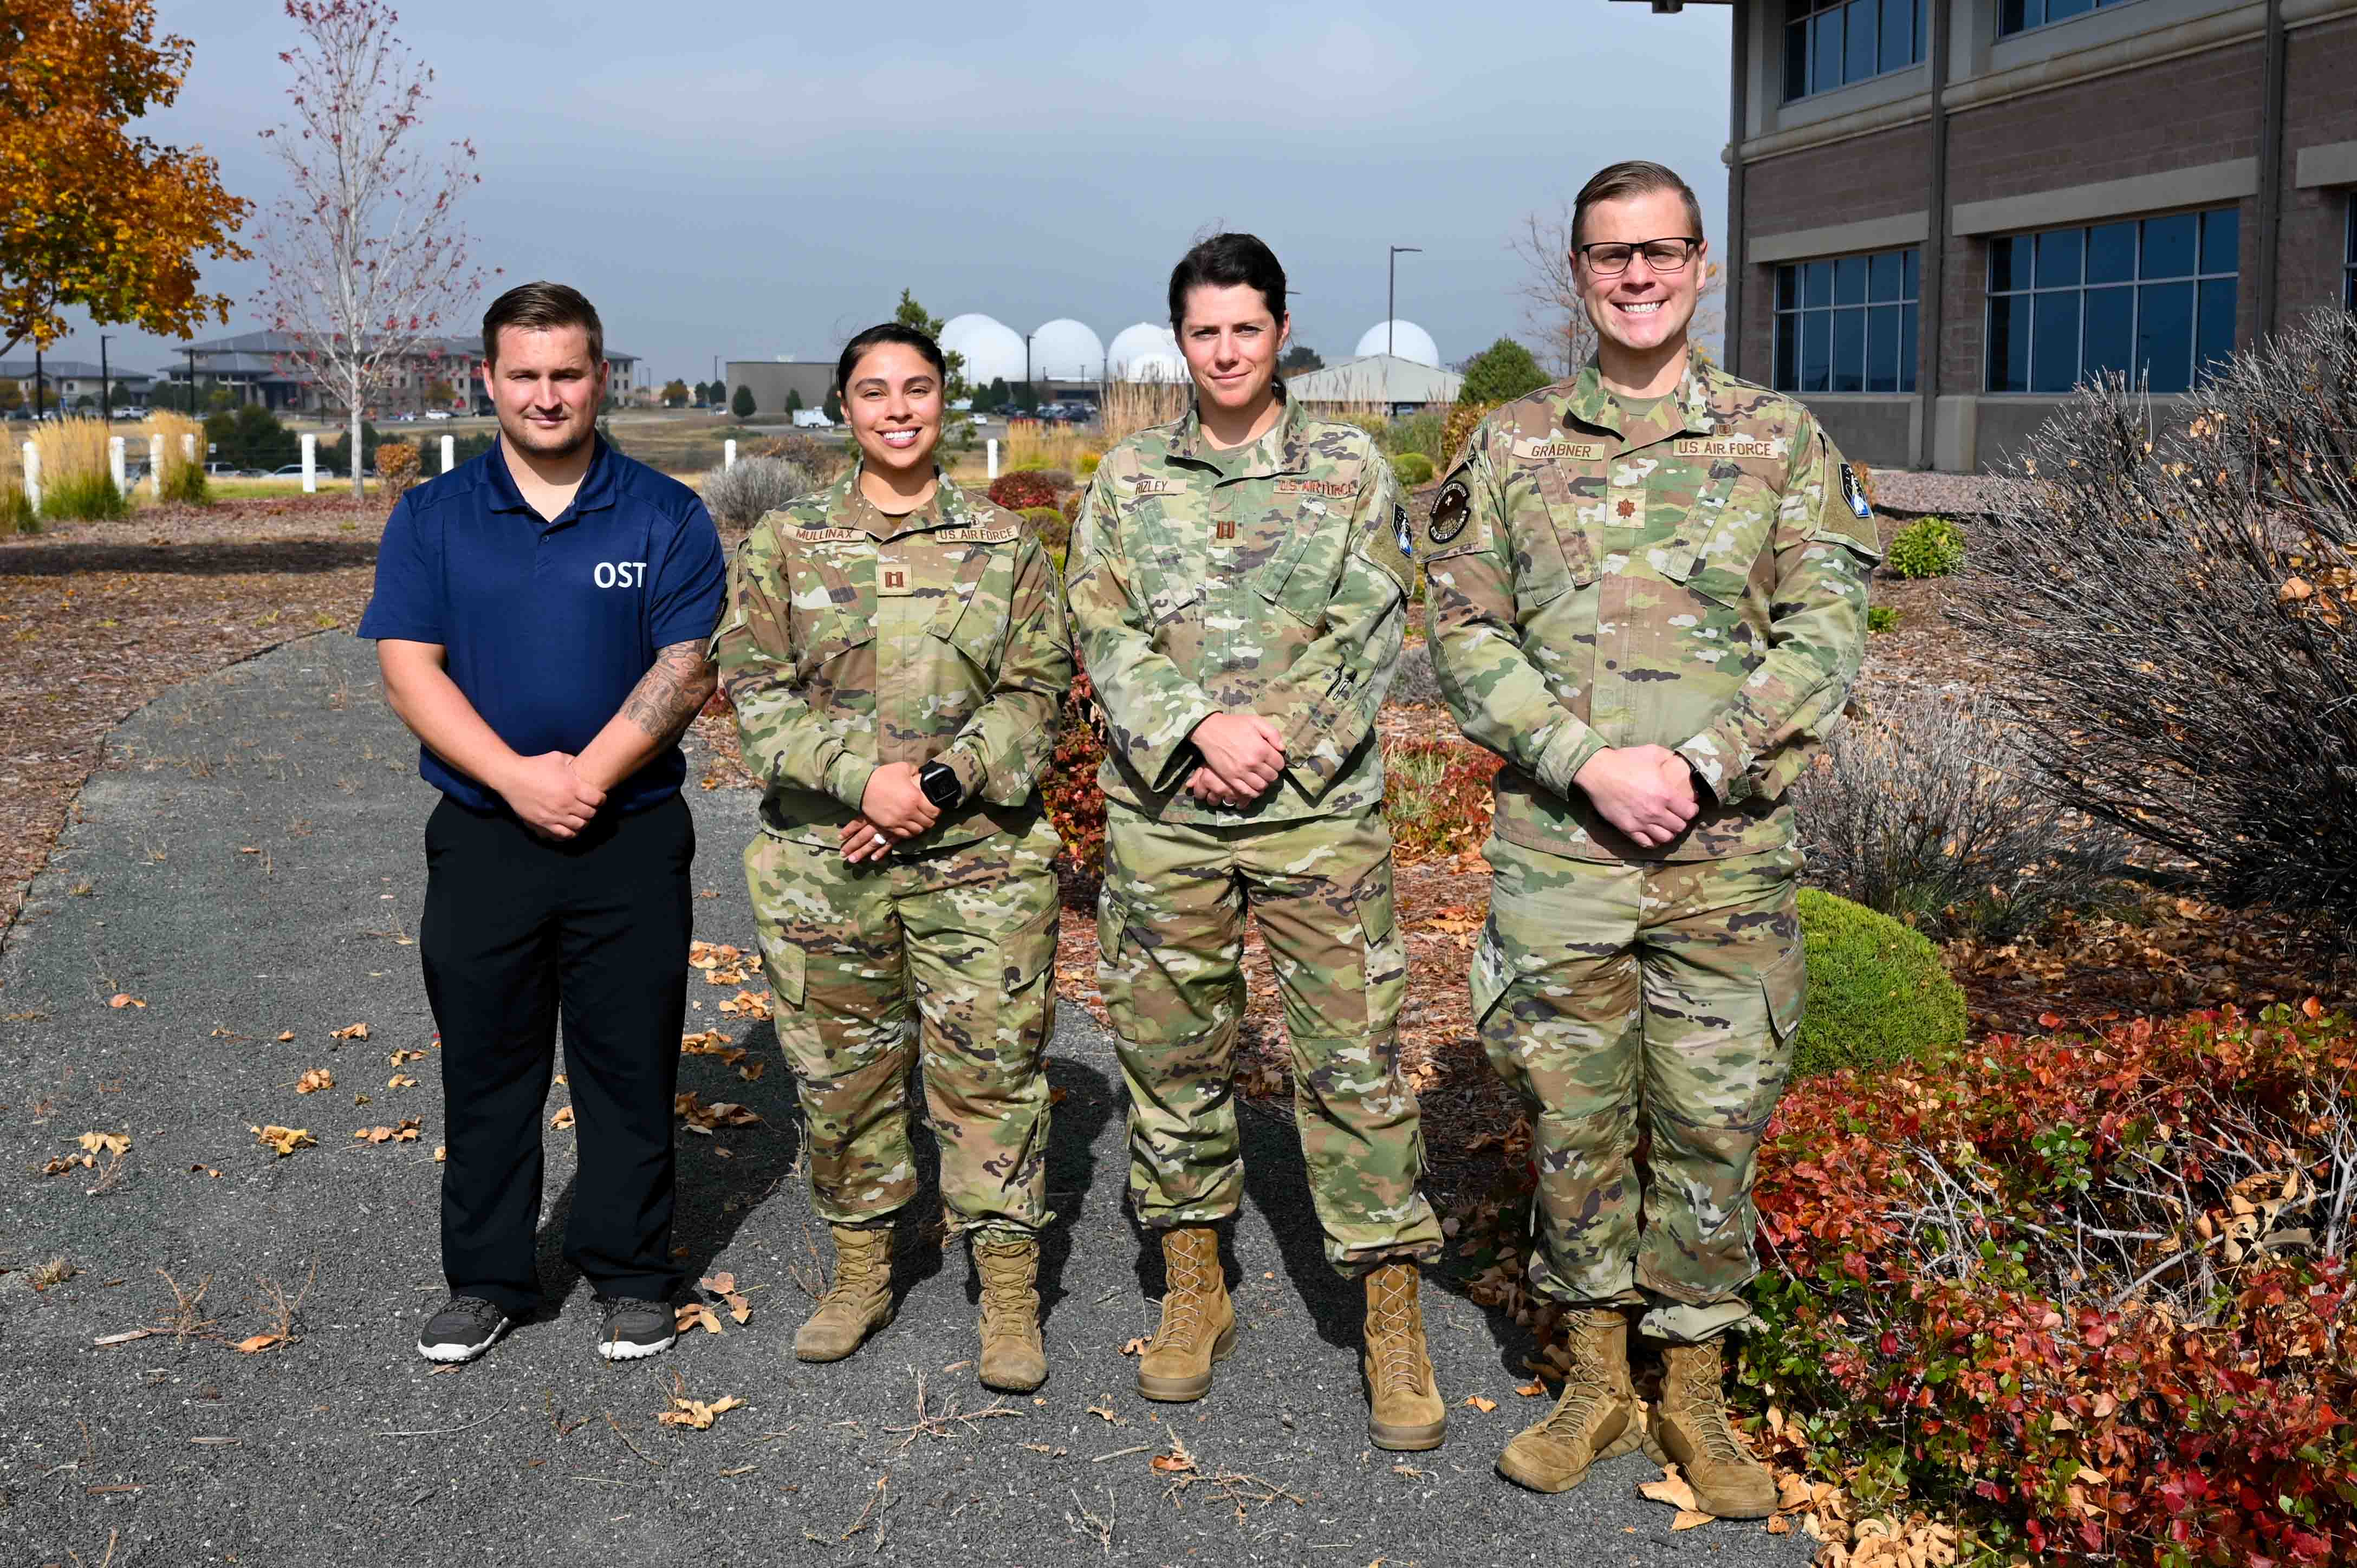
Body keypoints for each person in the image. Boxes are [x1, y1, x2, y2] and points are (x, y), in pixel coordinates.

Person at [1425, 161, 1879, 1511]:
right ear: (1578, 271)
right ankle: (1596, 1381)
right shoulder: (1508, 447)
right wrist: (1583, 761)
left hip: (1722, 856)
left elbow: (1826, 631)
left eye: (1661, 251)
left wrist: (1700, 759)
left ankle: (1696, 1394)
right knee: (1571, 1117)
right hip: (1563, 858)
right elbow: (1461, 633)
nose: (1636, 275)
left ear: (1703, 264)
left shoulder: (1777, 441)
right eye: (1610, 254)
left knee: (1710, 1119)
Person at [1066, 233, 1447, 1451]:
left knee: (1355, 1066)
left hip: (1317, 816)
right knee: (1173, 1062)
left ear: (1281, 330)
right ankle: (1195, 1289)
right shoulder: (1127, 477)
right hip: (1170, 815)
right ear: (1178, 341)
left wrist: (1274, 739)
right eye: (1201, 332)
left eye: (1244, 328)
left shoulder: (1347, 467)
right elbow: (1102, 628)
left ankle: (1389, 1314)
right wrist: (1198, 731)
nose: (1224, 351)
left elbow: (1374, 616)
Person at [359, 281, 726, 1364]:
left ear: (599, 375)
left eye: (567, 372)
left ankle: (628, 1270)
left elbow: (686, 664)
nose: (547, 394)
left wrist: (588, 777)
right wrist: (518, 778)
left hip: (630, 834)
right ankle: (486, 1277)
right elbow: (407, 670)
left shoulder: (664, 512)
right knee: (486, 1063)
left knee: (626, 1061)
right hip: (483, 834)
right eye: (525, 374)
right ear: (488, 381)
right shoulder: (434, 517)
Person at [710, 323, 1070, 1393]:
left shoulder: (1005, 547)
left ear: (942, 403)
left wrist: (935, 786)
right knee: (844, 1074)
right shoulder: (787, 543)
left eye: (918, 389)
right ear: (846, 409)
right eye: (875, 392)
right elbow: (755, 691)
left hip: (980, 863)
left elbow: (1037, 693)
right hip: (829, 862)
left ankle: (1007, 1296)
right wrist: (859, 779)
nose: (900, 409)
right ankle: (861, 1269)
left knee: (993, 1074)